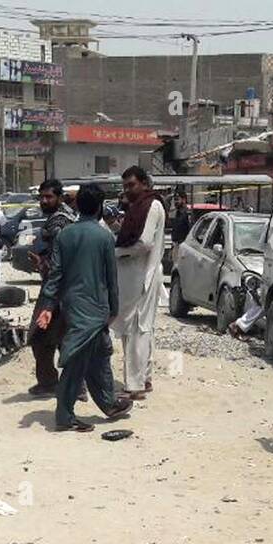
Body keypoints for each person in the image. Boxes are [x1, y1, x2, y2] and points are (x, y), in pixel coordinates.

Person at [35, 184, 135, 432]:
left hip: (72, 305)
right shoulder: (104, 237)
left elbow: (55, 274)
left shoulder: (65, 235)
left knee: (100, 353)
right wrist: (114, 307)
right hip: (96, 306)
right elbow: (111, 277)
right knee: (76, 358)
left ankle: (109, 402)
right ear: (100, 207)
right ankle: (65, 415)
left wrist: (47, 305)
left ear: (77, 205)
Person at [112, 166, 166, 401]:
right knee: (140, 329)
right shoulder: (138, 206)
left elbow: (144, 243)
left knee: (136, 330)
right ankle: (144, 377)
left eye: (131, 185)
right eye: (125, 186)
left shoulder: (151, 205)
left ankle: (135, 386)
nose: (128, 190)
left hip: (142, 275)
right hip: (134, 277)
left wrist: (117, 252)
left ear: (145, 183)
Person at [27, 178, 76, 396]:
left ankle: (53, 383)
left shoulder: (58, 222)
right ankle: (70, 384)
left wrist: (43, 265)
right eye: (42, 197)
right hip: (68, 288)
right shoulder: (67, 216)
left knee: (39, 335)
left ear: (60, 197)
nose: (44, 201)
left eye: (49, 197)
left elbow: (60, 261)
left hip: (57, 289)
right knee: (63, 337)